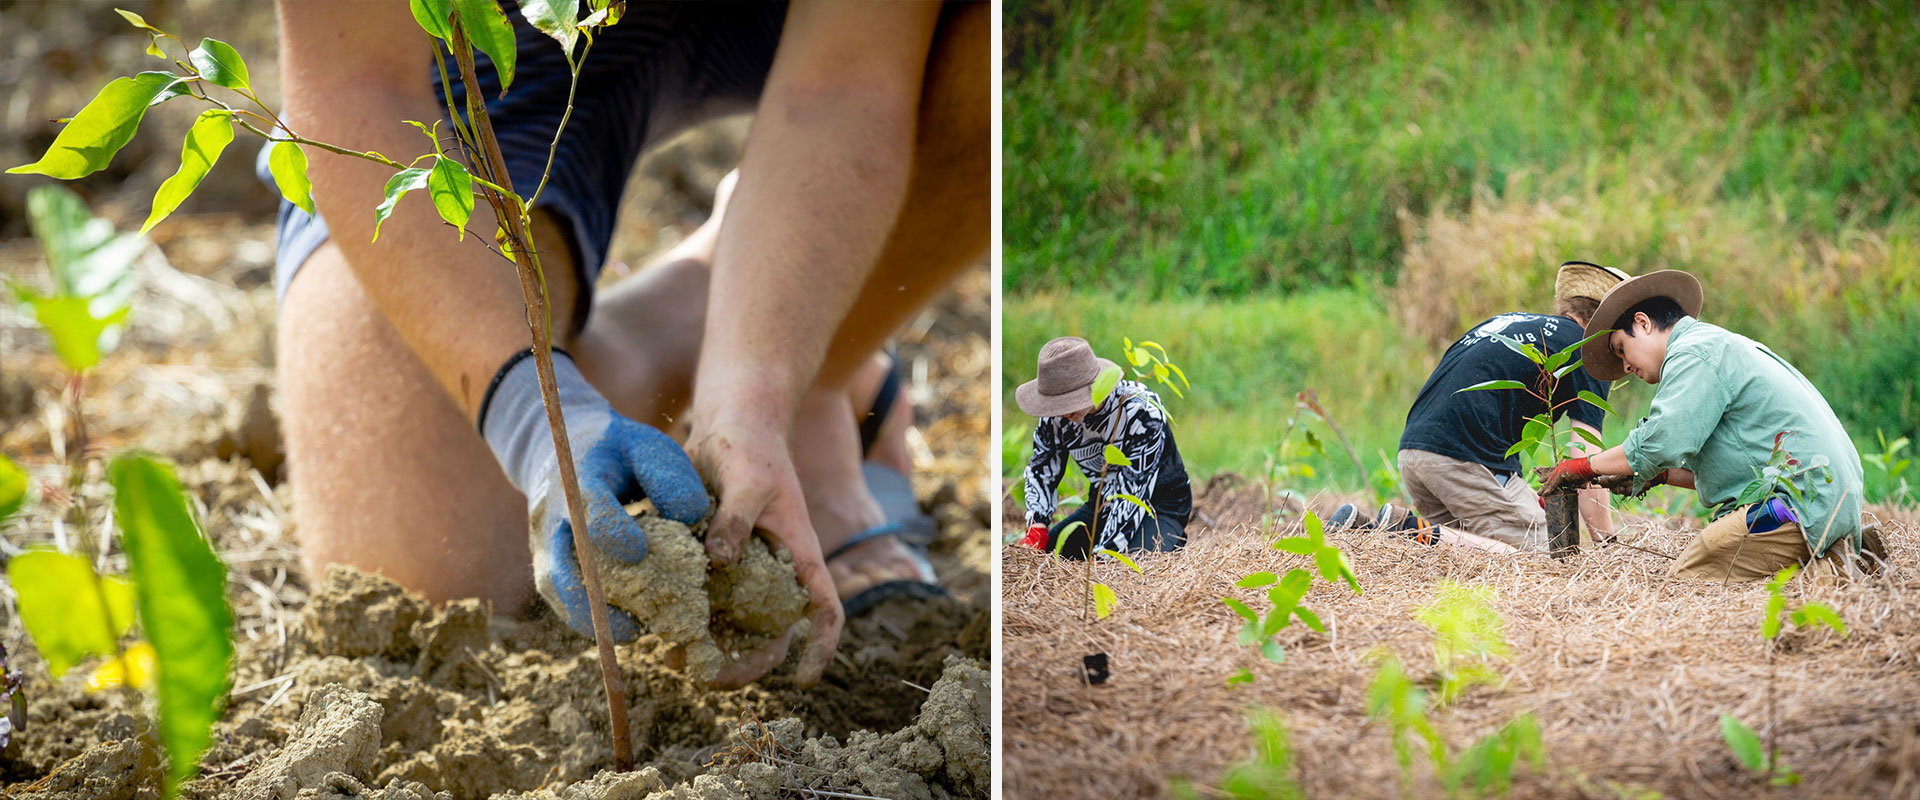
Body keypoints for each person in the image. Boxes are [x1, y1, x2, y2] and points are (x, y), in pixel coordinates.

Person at [266, 1, 987, 687]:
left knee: (1023, 44)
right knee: (432, 573)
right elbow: (357, 79)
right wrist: (541, 422)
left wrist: (754, 399)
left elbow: (842, 86)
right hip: (484, 46)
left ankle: (817, 363)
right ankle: (713, 303)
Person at [1538, 270, 1867, 581]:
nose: (1624, 366)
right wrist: (1660, 475)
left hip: (1797, 506)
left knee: (1687, 579)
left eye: (1622, 349)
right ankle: (1837, 558)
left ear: (1643, 323)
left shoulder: (1694, 354)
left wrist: (1579, 467)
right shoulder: (1715, 344)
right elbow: (1736, 470)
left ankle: (1828, 576)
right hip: (1827, 500)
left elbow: (1659, 442)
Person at [1331, 261, 1624, 554]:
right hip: (1464, 458)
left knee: (1459, 554)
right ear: (1609, 323)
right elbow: (1585, 457)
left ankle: (1367, 532)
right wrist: (1607, 545)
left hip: (1414, 451)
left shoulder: (1515, 322)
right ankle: (1405, 531)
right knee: (1542, 555)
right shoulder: (1586, 347)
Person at [1014, 337, 1192, 558]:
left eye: (1068, 402)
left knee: (1122, 568)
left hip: (1158, 506)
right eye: (1056, 404)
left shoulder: (1142, 413)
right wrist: (1037, 525)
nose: (1062, 412)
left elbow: (1132, 492)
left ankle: (1169, 537)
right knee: (1050, 555)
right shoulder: (1056, 415)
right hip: (1102, 504)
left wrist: (1105, 553)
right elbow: (1041, 469)